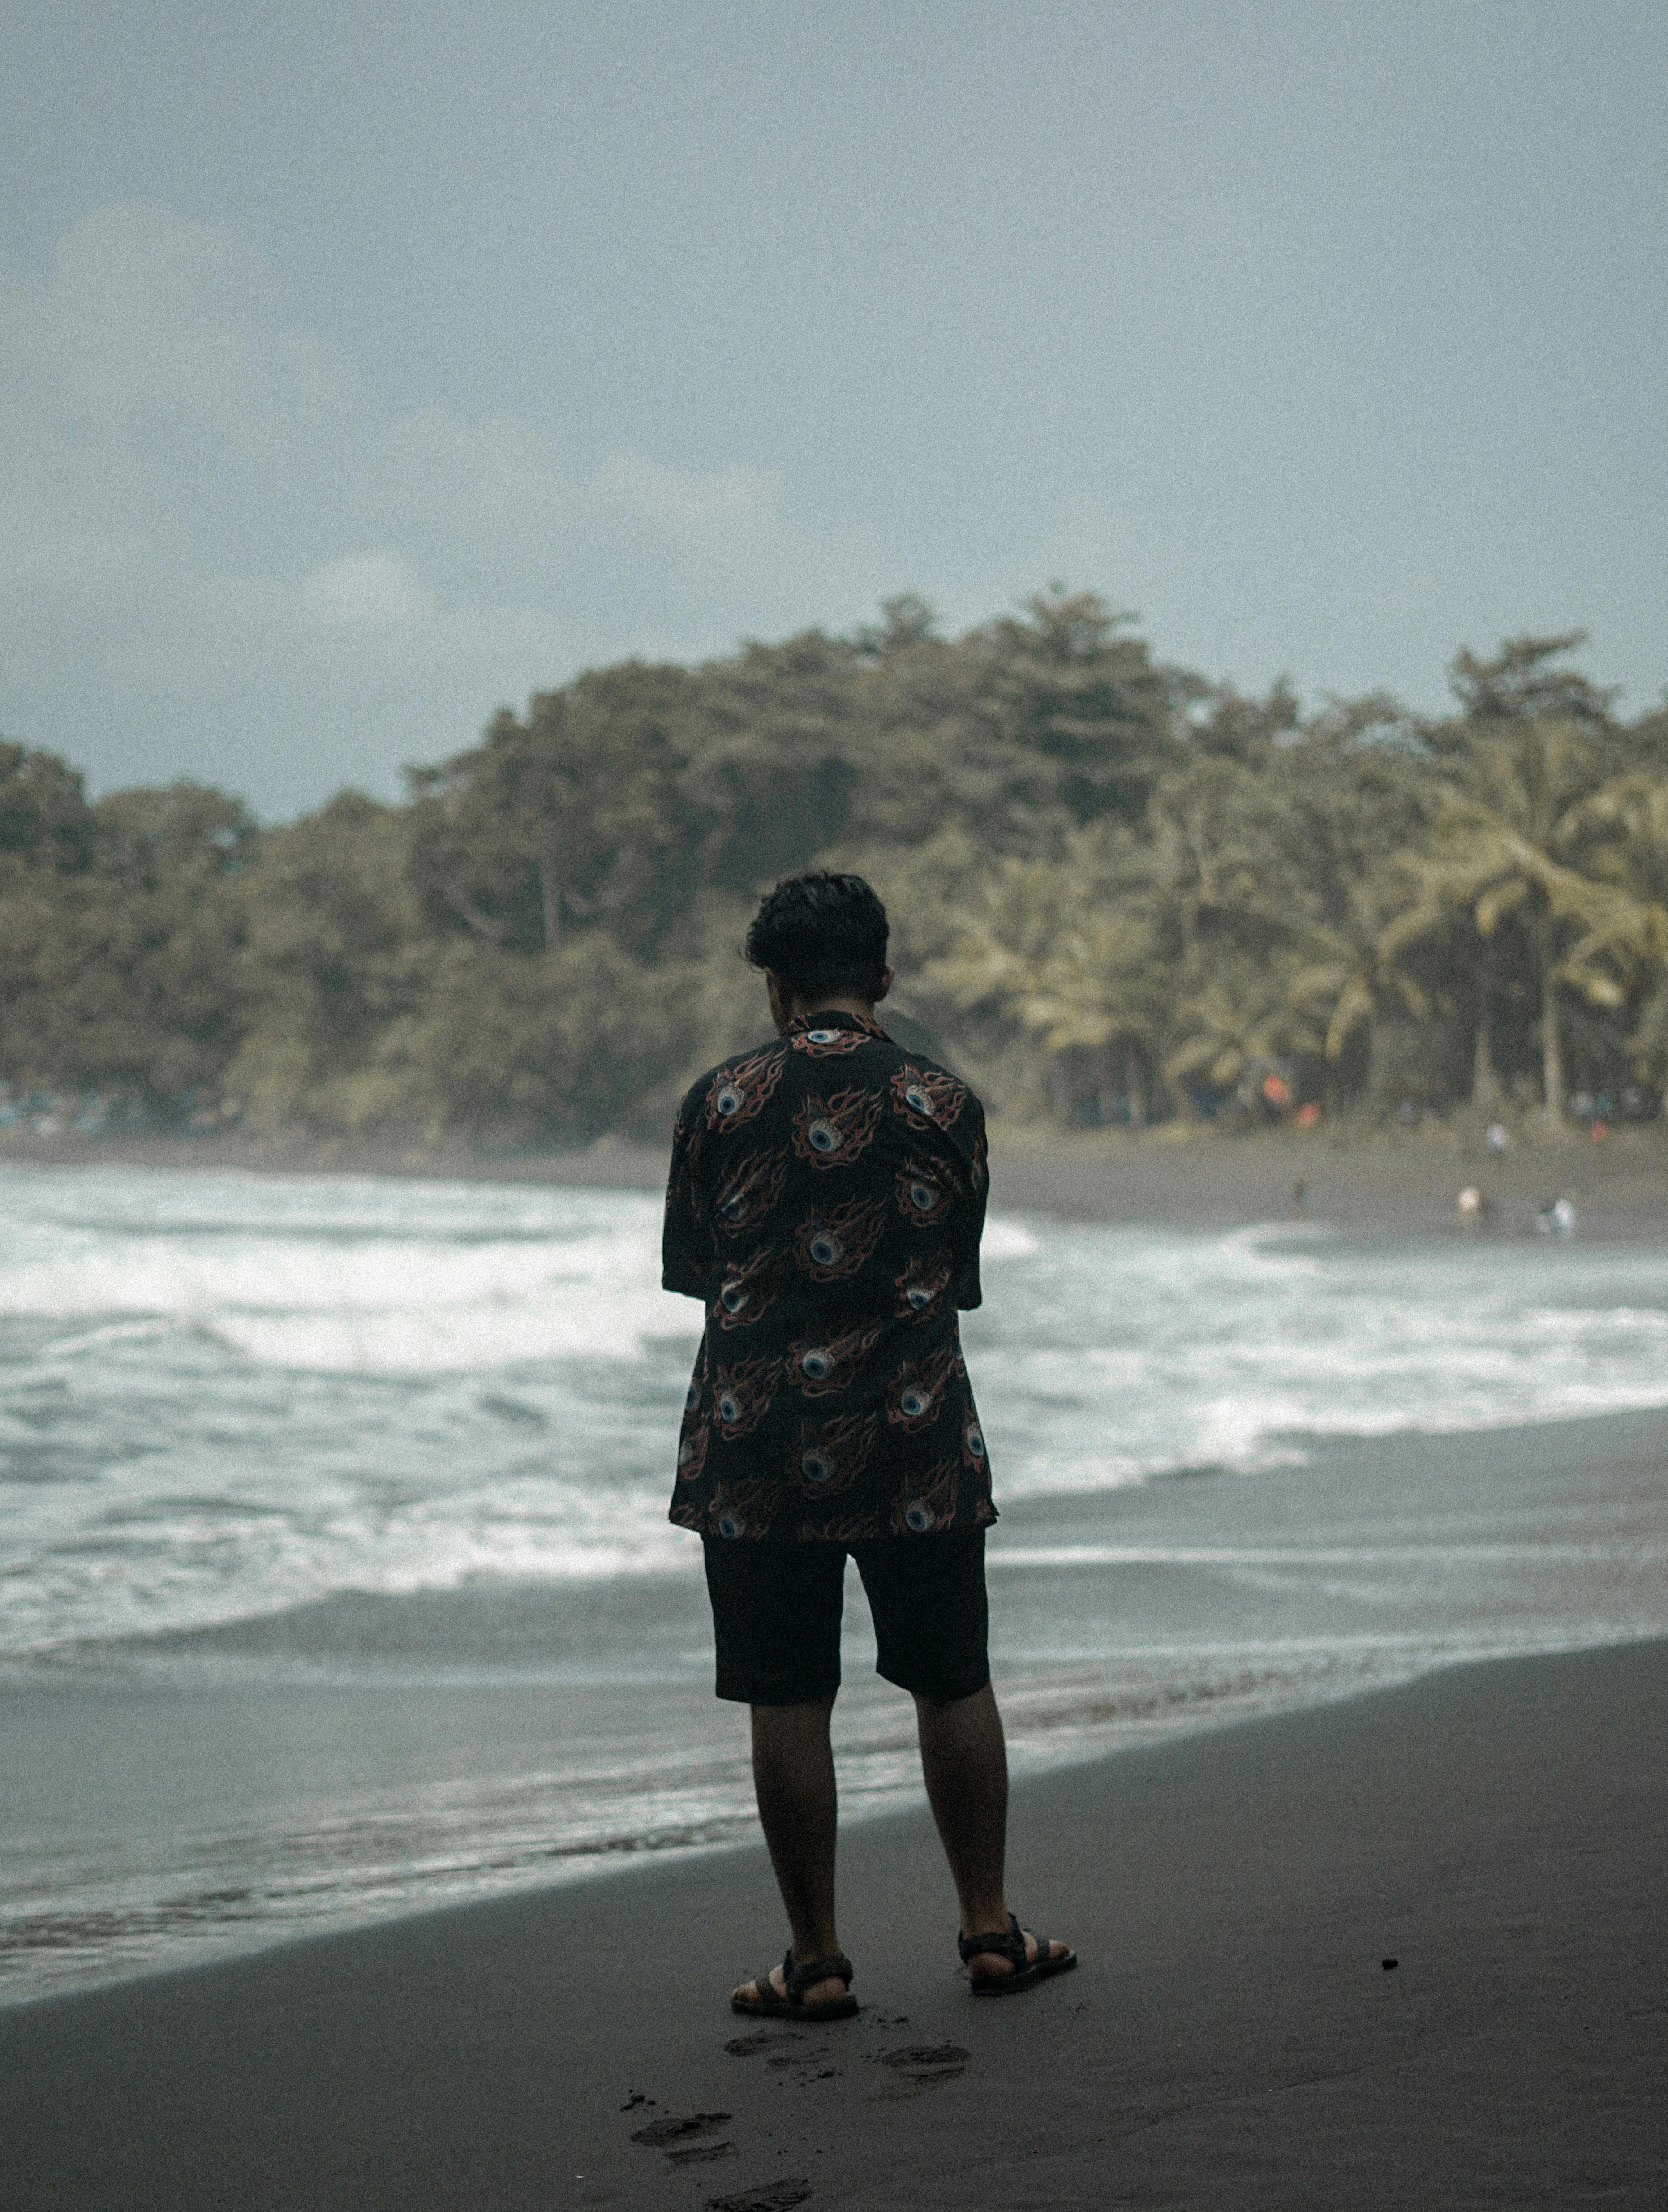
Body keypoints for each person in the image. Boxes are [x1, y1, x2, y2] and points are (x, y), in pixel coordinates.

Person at [662, 872, 1076, 2020]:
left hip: (754, 1445)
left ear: (775, 988)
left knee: (788, 1698)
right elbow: (959, 1276)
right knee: (951, 1680)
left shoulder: (717, 1102)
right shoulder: (943, 1102)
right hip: (914, 1433)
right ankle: (989, 1930)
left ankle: (818, 1959)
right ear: (882, 980)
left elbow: (698, 1270)